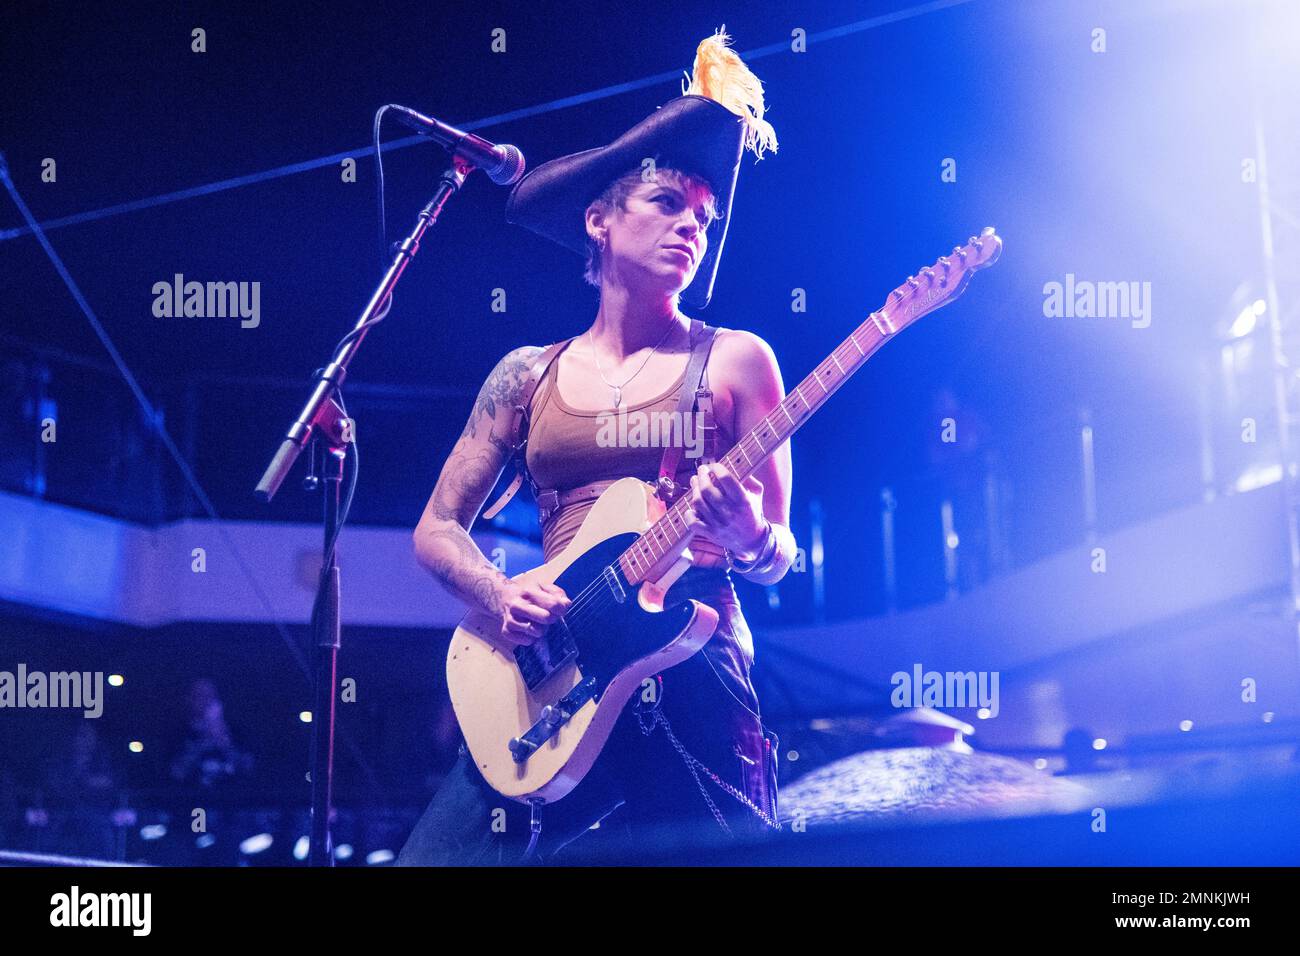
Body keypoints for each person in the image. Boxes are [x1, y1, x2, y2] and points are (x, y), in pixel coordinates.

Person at [399, 28, 797, 865]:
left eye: (703, 215)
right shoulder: (525, 375)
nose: (691, 226)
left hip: (690, 662)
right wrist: (496, 593)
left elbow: (777, 556)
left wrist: (750, 538)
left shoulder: (737, 359)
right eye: (666, 204)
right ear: (599, 220)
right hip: (550, 677)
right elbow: (436, 527)